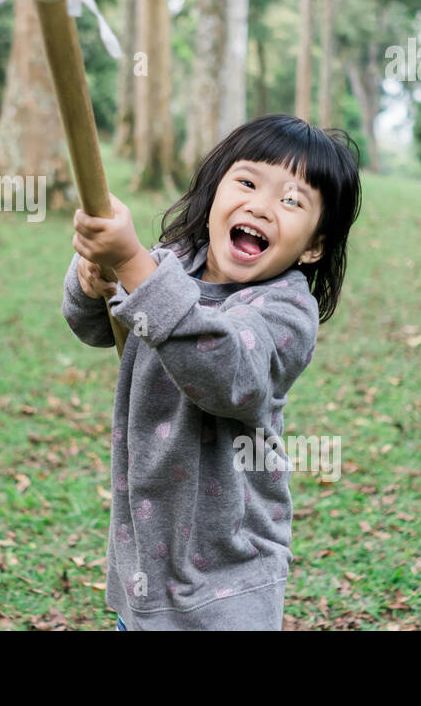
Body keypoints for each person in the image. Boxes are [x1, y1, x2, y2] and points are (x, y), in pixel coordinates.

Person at [62, 113, 362, 630]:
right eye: (247, 182)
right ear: (214, 191)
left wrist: (132, 263)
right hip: (145, 566)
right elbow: (92, 326)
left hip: (230, 580)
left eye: (292, 201)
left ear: (313, 245)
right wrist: (93, 282)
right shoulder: (168, 264)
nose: (261, 206)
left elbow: (225, 373)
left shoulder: (286, 310)